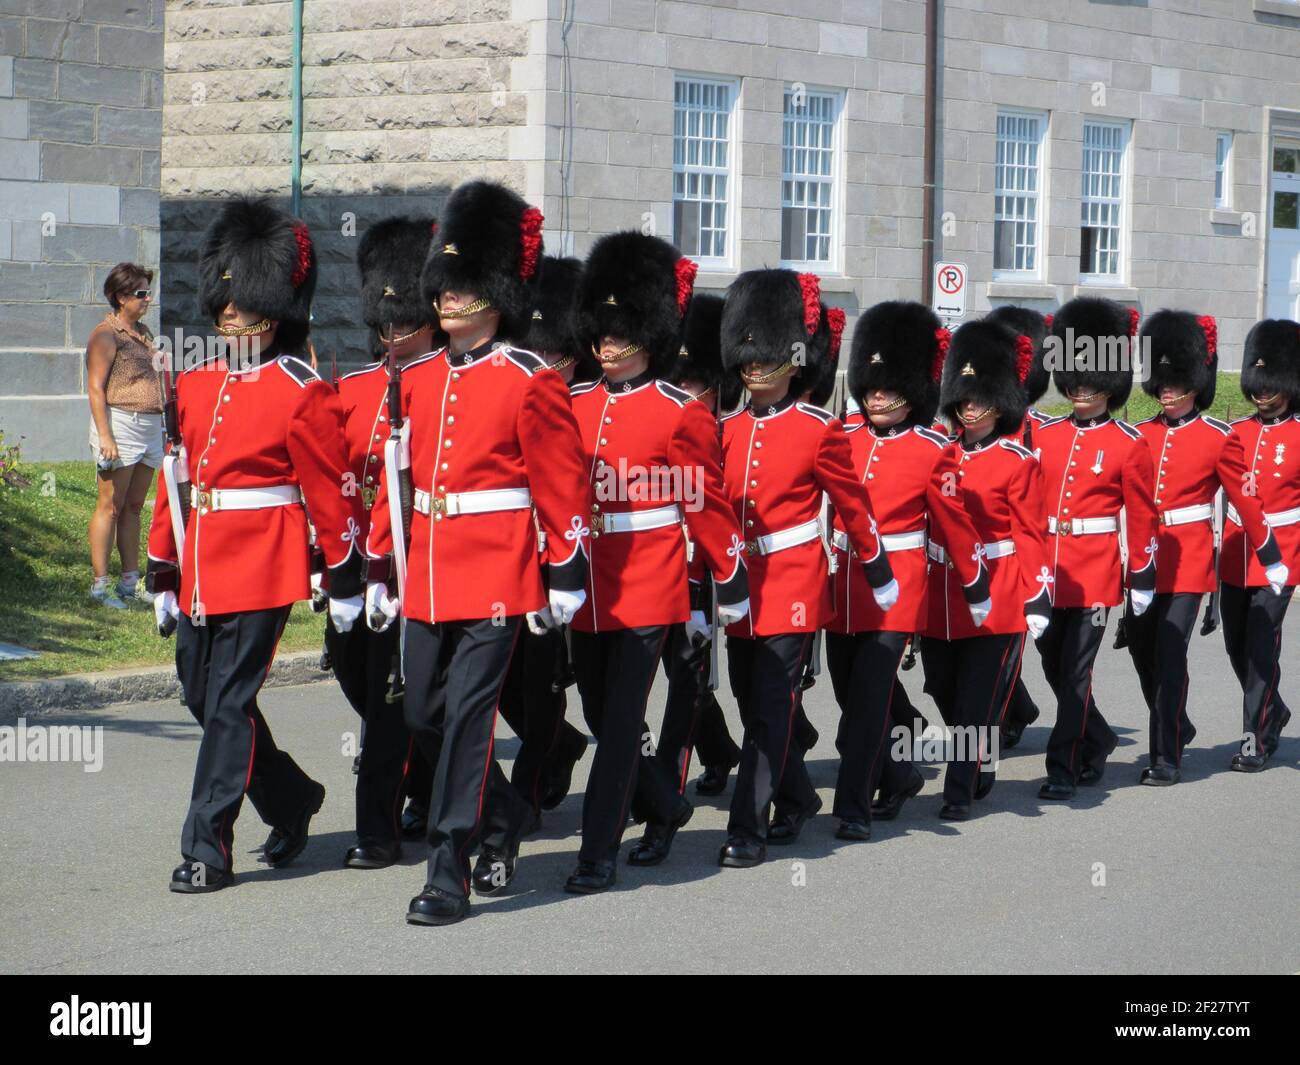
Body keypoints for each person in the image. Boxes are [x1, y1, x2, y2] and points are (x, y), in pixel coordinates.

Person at [364, 180, 592, 927]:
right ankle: (500, 817)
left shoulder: (529, 381)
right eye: (445, 283)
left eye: (465, 286)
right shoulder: (417, 378)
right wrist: (377, 565)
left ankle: (447, 869)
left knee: (466, 719)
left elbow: (560, 484)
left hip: (498, 574)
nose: (448, 298)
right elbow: (397, 486)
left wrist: (565, 568)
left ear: (497, 292)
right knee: (425, 712)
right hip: (427, 569)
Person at [146, 198, 365, 893]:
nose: (230, 312)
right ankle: (293, 796)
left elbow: (329, 491)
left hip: (265, 565)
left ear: (273, 305)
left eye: (244, 301)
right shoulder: (199, 380)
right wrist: (161, 560)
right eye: (225, 299)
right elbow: (175, 476)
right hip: (203, 560)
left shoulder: (303, 390)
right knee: (201, 696)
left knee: (230, 702)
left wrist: (341, 567)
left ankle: (206, 846)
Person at [564, 231, 749, 893]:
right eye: (601, 333)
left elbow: (706, 505)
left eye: (621, 333)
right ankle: (666, 805)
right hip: (585, 582)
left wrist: (726, 579)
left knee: (619, 723)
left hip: (648, 579)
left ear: (650, 334)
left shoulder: (679, 413)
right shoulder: (574, 404)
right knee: (595, 709)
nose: (607, 345)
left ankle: (596, 852)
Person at [716, 269, 895, 867]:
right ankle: (795, 794)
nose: (755, 365)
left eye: (767, 353)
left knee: (769, 705)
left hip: (791, 579)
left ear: (793, 360)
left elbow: (852, 504)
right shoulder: (726, 429)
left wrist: (875, 565)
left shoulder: (820, 429)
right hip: (740, 583)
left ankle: (749, 827)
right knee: (749, 698)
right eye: (749, 351)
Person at [828, 301, 990, 836]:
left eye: (887, 385)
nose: (876, 394)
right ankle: (897, 775)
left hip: (896, 587)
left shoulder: (934, 450)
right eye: (871, 385)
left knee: (868, 703)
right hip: (841, 583)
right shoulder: (843, 435)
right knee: (845, 692)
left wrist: (974, 580)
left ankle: (852, 809)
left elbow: (955, 522)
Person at [1127, 311, 1286, 785]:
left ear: (1196, 383)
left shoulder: (1218, 437)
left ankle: (1166, 754)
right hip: (1144, 559)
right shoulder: (1141, 434)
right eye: (1163, 382)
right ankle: (1177, 722)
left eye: (1177, 382)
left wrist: (1271, 554)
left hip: (1190, 561)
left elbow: (1246, 501)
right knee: (1143, 652)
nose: (1168, 391)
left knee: (1172, 653)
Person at [329, 215, 440, 868]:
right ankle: (489, 802)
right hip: (357, 569)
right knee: (360, 680)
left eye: (406, 321)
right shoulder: (354, 389)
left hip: (416, 569)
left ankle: (377, 830)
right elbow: (335, 480)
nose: (394, 334)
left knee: (391, 706)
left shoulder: (446, 384)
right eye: (386, 322)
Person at [919, 319, 1050, 819]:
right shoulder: (940, 452)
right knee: (941, 688)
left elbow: (1030, 534)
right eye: (963, 399)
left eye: (979, 399)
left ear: (999, 402)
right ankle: (980, 752)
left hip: (997, 592)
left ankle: (959, 789)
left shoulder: (1018, 461)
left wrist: (1037, 595)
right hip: (942, 593)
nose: (969, 408)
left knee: (976, 700)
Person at [1035, 298, 1158, 801]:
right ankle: (1100, 736)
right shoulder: (1043, 434)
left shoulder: (1129, 443)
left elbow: (1143, 516)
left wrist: (1141, 577)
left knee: (1076, 670)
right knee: (1050, 663)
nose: (1080, 388)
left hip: (1094, 571)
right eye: (1073, 379)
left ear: (1109, 383)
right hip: (1046, 570)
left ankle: (1063, 767)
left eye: (1090, 380)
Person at [493, 255, 594, 823]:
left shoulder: (578, 405)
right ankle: (561, 743)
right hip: (506, 554)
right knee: (502, 682)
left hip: (556, 561)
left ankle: (529, 790)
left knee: (539, 680)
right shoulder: (517, 391)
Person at [654, 292, 744, 799]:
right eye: (679, 381)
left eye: (695, 383)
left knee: (688, 675)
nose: (685, 391)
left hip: (708, 569)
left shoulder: (728, 434)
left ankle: (668, 783)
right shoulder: (670, 422)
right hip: (667, 561)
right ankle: (721, 750)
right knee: (680, 669)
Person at [1219, 318, 1300, 771]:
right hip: (1234, 552)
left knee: (1260, 646)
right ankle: (1276, 709)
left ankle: (1256, 740)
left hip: (1283, 556)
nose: (1263, 393)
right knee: (1236, 646)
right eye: (1258, 383)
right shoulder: (1236, 432)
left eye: (1272, 384)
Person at [984, 305, 1053, 750]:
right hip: (978, 558)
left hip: (1027, 558)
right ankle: (1021, 708)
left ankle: (977, 758)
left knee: (1002, 663)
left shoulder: (1043, 431)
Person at [86, 262, 164, 608]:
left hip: (149, 426)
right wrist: (106, 436)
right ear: (120, 297)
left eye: (149, 292)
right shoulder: (106, 333)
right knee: (111, 506)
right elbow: (95, 388)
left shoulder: (144, 332)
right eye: (141, 293)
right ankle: (99, 585)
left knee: (134, 506)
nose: (148, 298)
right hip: (120, 424)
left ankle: (129, 582)